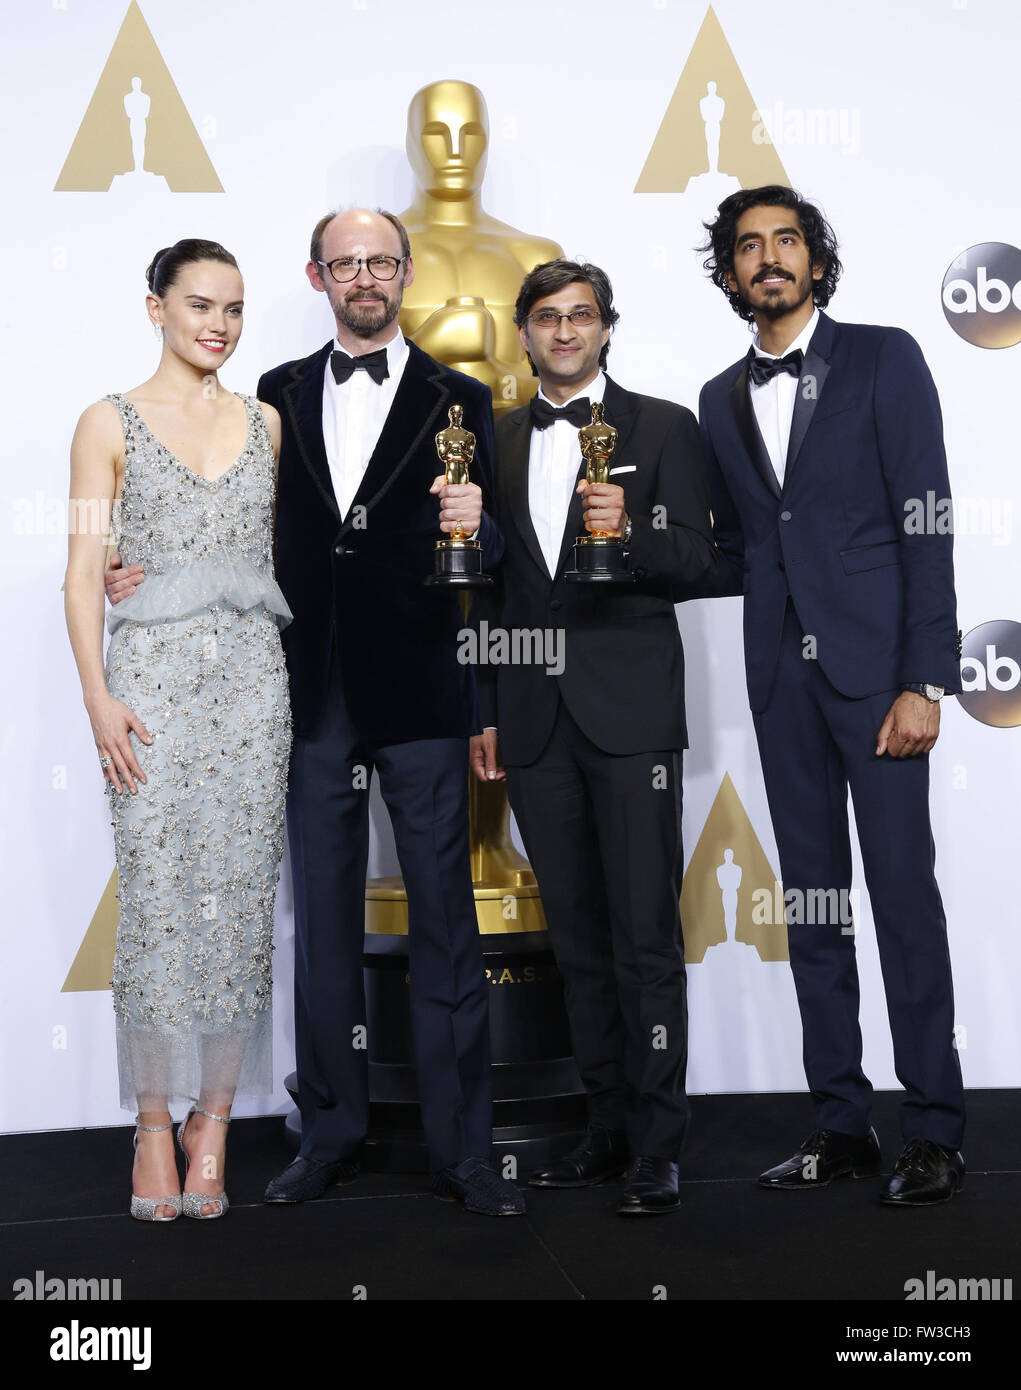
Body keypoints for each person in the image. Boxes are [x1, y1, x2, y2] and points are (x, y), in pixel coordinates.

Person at [111, 207, 519, 1216]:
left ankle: (465, 1152)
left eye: (383, 260)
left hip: (423, 690)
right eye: (348, 262)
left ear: (407, 270)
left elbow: (505, 556)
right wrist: (144, 570)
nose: (367, 276)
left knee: (447, 925)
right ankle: (326, 1130)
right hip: (300, 691)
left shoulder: (464, 397)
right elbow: (237, 520)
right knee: (321, 924)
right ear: (317, 274)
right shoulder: (277, 396)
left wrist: (486, 529)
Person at [696, 186, 966, 1204]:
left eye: (785, 241)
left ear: (814, 259)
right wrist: (629, 550)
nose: (768, 259)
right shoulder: (719, 396)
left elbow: (926, 519)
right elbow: (735, 545)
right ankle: (838, 1123)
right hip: (781, 685)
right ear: (727, 273)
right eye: (747, 248)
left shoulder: (885, 357)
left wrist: (925, 677)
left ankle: (934, 1128)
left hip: (878, 679)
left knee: (902, 899)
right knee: (812, 909)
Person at [470, 260, 716, 1214]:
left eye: (580, 316)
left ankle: (659, 1145)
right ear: (523, 334)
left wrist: (636, 532)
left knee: (643, 938)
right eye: (545, 318)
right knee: (573, 938)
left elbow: (704, 558)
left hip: (629, 721)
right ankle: (603, 1128)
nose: (563, 332)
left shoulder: (664, 427)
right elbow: (489, 589)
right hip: (533, 724)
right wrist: (485, 708)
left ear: (607, 328)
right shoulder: (491, 441)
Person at [66, 238, 292, 1221]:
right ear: (153, 305)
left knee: (238, 903)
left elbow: (258, 557)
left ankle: (218, 1122)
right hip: (148, 686)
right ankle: (152, 1122)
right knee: (159, 904)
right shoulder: (104, 421)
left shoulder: (268, 423)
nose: (218, 324)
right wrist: (96, 696)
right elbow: (84, 569)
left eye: (235, 308)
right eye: (199, 303)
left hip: (253, 685)